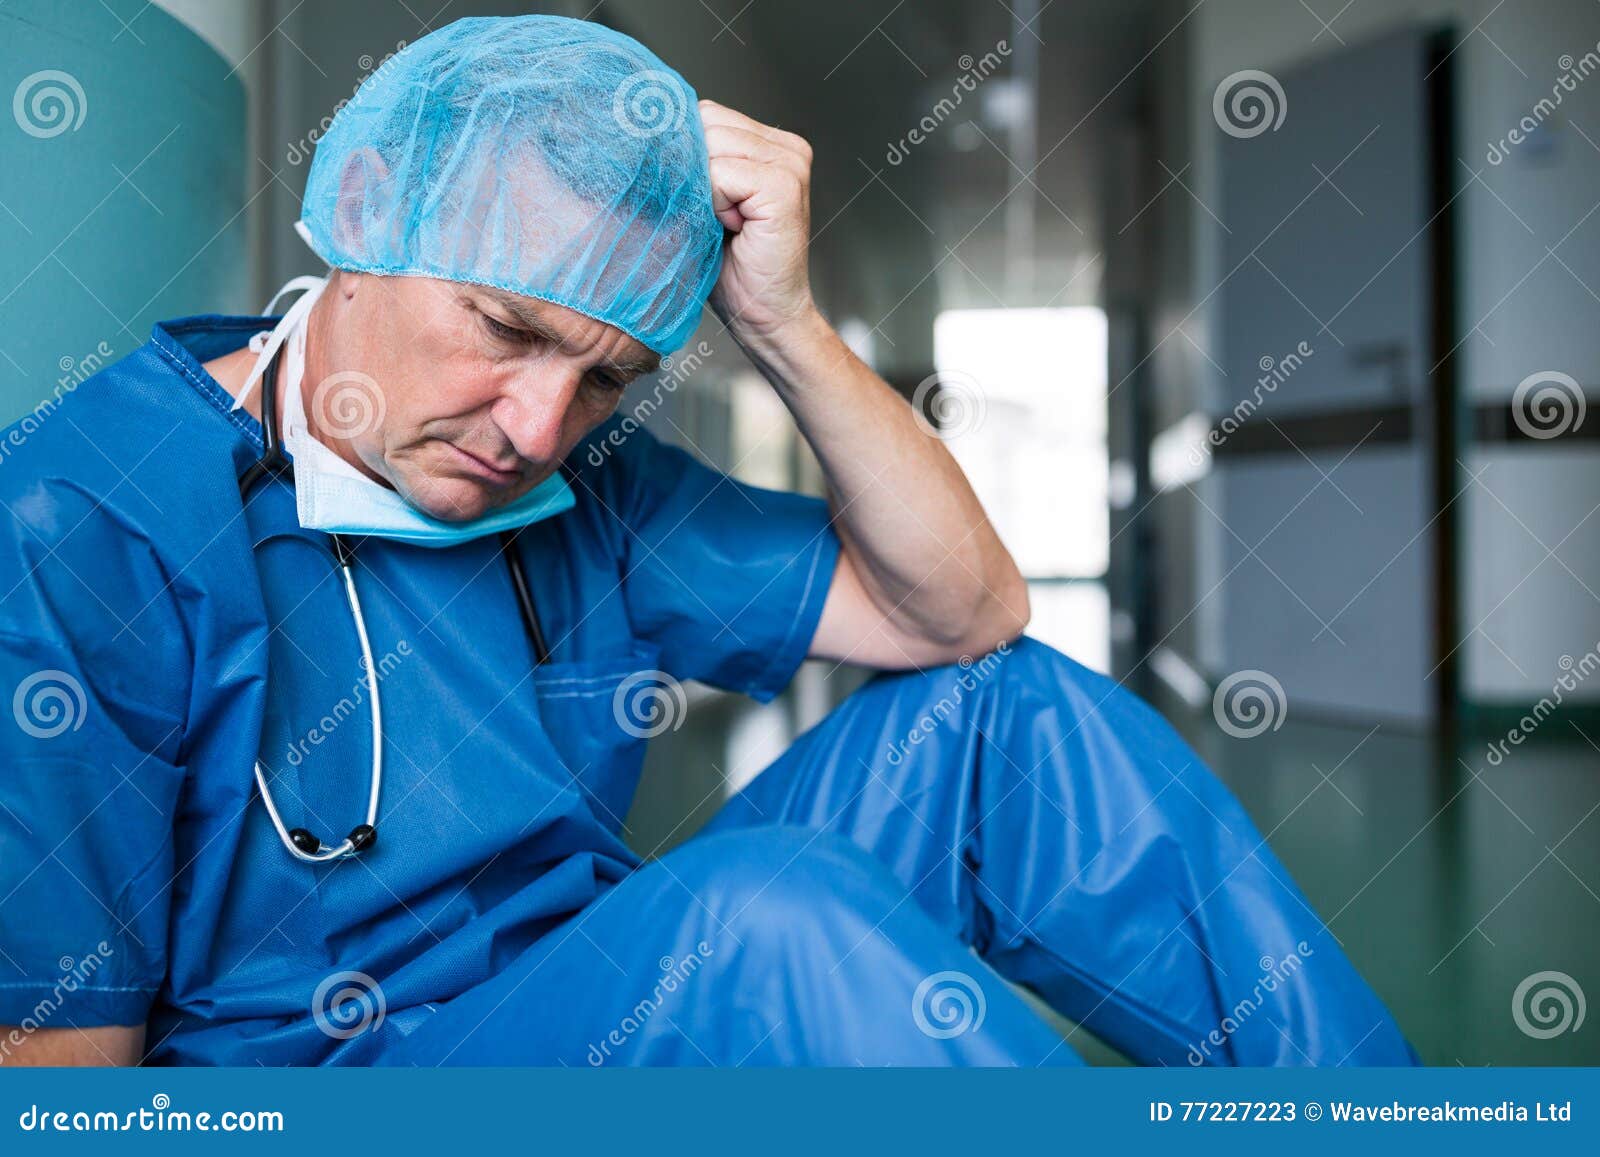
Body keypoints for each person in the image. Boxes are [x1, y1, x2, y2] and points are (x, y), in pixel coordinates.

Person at [0, 15, 1414, 1067]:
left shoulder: (588, 485)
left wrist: (787, 326)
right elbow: (61, 1086)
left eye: (607, 374)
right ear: (365, 220)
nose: (541, 425)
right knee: (762, 918)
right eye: (507, 330)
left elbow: (962, 615)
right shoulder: (92, 522)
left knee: (1004, 717)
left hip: (579, 1006)